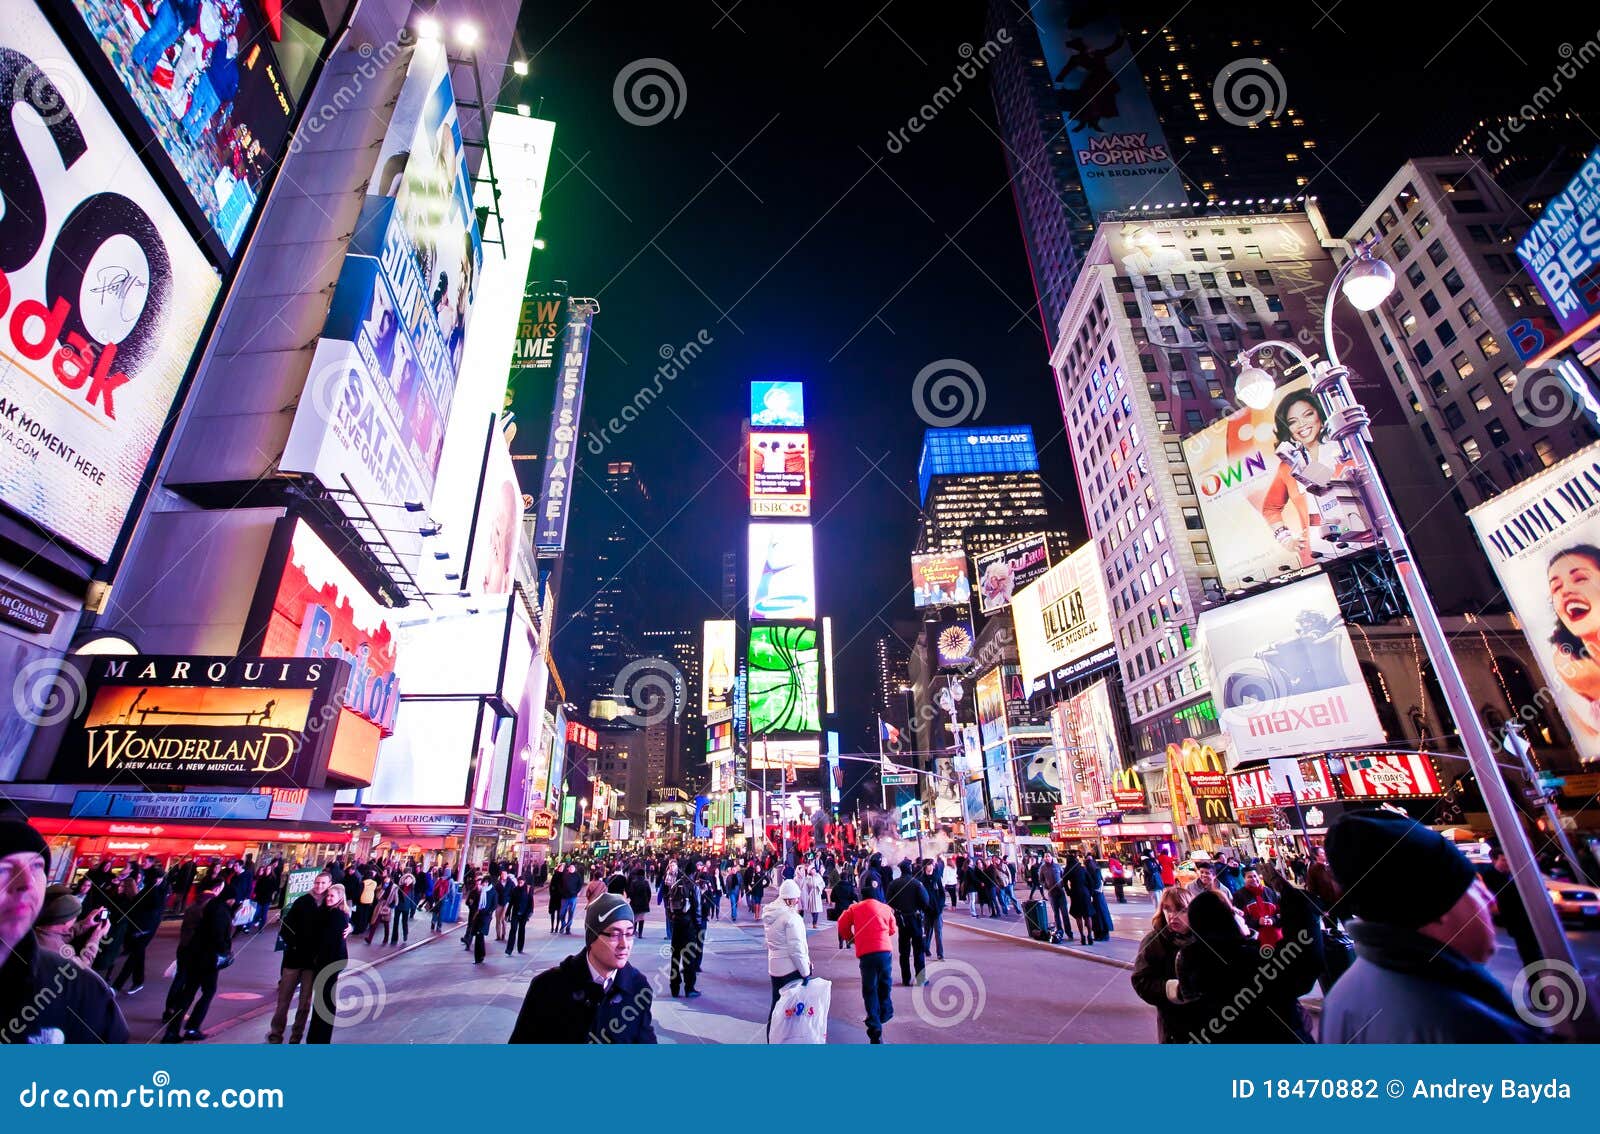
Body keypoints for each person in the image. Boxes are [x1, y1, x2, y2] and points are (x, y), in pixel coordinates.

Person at [1319, 810, 1543, 1043]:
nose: (1490, 899)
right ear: (1438, 909)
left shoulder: (1341, 997)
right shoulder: (1464, 1026)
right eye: (1473, 886)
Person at [0, 823, 127, 1044]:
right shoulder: (69, 979)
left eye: (37, 867)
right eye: (3, 868)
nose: (28, 883)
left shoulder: (86, 991)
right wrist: (95, 936)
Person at [1166, 888, 1321, 1043]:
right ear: (1228, 918)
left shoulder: (1189, 958)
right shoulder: (1254, 957)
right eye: (1232, 911)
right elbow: (1304, 971)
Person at [509, 894, 657, 1043]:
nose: (624, 944)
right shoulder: (547, 987)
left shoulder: (638, 987)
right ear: (591, 938)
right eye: (614, 934)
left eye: (629, 933)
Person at [161, 872, 234, 1042]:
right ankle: (192, 1027)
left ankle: (172, 1029)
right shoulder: (217, 909)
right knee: (208, 991)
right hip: (207, 958)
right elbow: (218, 935)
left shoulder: (203, 904)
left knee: (187, 991)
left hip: (191, 952)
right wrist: (225, 952)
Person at [1130, 888, 1200, 1043]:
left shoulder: (1204, 938)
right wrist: (1175, 990)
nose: (1173, 916)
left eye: (1181, 910)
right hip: (1174, 1024)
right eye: (1167, 909)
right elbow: (1141, 981)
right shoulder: (1154, 941)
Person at [269, 870, 330, 1043]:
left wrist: (350, 927)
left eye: (323, 883)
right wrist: (294, 945)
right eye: (317, 883)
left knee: (304, 1004)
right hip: (293, 960)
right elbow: (285, 927)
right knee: (283, 1001)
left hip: (312, 964)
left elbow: (341, 920)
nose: (319, 886)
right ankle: (275, 1035)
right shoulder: (302, 901)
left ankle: (296, 1037)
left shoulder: (330, 904)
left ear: (329, 885)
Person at [836, 877, 898, 1043]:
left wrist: (852, 938)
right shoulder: (885, 908)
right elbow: (893, 929)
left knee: (869, 988)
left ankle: (874, 1023)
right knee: (885, 983)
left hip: (866, 953)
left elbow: (841, 924)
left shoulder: (854, 908)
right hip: (884, 951)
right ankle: (885, 1010)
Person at [762, 879, 812, 1040]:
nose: (798, 901)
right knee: (793, 1010)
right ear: (789, 898)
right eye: (796, 898)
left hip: (775, 966)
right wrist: (805, 971)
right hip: (791, 969)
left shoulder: (771, 913)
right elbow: (796, 949)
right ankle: (790, 1040)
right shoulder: (791, 918)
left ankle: (772, 1038)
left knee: (776, 1005)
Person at [306, 882, 351, 1044]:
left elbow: (329, 941)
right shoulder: (327, 911)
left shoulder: (337, 915)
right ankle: (316, 1037)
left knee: (325, 1001)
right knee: (322, 1000)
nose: (329, 898)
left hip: (330, 962)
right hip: (327, 961)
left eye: (332, 896)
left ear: (340, 898)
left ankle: (320, 1038)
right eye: (328, 895)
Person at [1479, 850, 1539, 969]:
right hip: (1515, 921)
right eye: (1503, 860)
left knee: (1534, 956)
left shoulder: (1514, 874)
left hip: (1526, 920)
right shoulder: (1488, 877)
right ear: (1494, 860)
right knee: (1531, 957)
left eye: (1508, 860)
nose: (1507, 863)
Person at [886, 860, 931, 986]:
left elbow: (889, 901)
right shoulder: (917, 884)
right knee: (918, 950)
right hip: (915, 920)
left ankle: (906, 978)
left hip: (901, 920)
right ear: (910, 869)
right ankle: (921, 979)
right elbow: (925, 901)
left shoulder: (893, 884)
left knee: (904, 952)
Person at [666, 862, 704, 998]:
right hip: (689, 926)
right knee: (689, 958)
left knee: (675, 957)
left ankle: (674, 987)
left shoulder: (676, 884)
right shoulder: (694, 887)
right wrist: (698, 927)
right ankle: (689, 988)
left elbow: (668, 904)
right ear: (694, 872)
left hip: (677, 924)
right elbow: (698, 909)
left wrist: (673, 919)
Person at [1237, 868, 1282, 947]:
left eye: (1255, 876)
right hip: (1256, 941)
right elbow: (1239, 920)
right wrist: (1257, 921)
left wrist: (1272, 920)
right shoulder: (1239, 896)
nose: (1254, 879)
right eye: (1250, 877)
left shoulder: (1270, 892)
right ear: (1244, 879)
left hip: (1277, 938)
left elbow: (1280, 913)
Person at [920, 858, 947, 961]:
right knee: (927, 931)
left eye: (932, 865)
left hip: (937, 910)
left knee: (938, 932)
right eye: (929, 865)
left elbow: (942, 893)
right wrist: (924, 907)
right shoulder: (922, 879)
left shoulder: (937, 877)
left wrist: (940, 906)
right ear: (925, 866)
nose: (931, 866)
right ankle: (926, 949)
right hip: (927, 910)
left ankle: (940, 954)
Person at [469, 872, 498, 964]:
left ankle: (480, 955)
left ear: (489, 882)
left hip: (486, 917)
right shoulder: (480, 891)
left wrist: (489, 912)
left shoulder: (493, 892)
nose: (484, 884)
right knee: (478, 936)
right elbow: (474, 902)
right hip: (478, 915)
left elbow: (494, 904)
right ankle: (478, 957)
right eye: (483, 882)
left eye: (486, 882)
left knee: (480, 934)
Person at [1041, 852, 1069, 941]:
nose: (1047, 858)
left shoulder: (1057, 866)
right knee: (1056, 914)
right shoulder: (1043, 868)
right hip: (1051, 894)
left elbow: (1063, 876)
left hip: (1060, 892)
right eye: (1046, 857)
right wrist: (1046, 886)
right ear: (1044, 858)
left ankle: (1069, 931)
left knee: (1064, 913)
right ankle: (1059, 930)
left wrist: (1062, 885)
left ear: (1051, 857)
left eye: (1049, 856)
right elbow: (1041, 880)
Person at [504, 875, 532, 955]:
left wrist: (528, 914)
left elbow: (530, 903)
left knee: (521, 931)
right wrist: (507, 913)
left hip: (524, 914)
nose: (520, 883)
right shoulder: (515, 890)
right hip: (515, 913)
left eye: (521, 882)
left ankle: (520, 948)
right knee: (513, 930)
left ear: (524, 882)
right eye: (519, 882)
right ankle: (509, 949)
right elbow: (511, 903)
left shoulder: (528, 890)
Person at [627, 869, 652, 939]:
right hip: (644, 903)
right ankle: (640, 933)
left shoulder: (634, 882)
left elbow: (631, 893)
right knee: (641, 918)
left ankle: (634, 931)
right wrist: (647, 901)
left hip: (635, 903)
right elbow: (649, 893)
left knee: (634, 918)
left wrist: (632, 899)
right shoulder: (646, 882)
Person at [799, 862, 826, 928]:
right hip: (811, 895)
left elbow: (823, 884)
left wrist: (818, 886)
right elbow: (805, 886)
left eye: (814, 869)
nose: (813, 870)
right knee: (812, 909)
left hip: (817, 894)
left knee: (816, 909)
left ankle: (815, 923)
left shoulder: (818, 876)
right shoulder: (808, 878)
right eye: (812, 869)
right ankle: (814, 921)